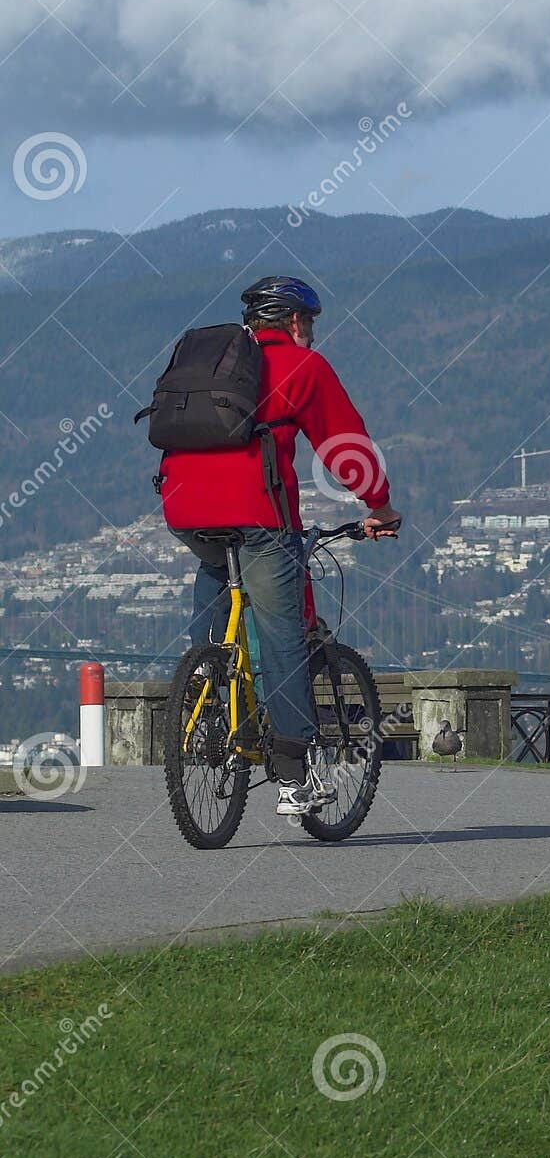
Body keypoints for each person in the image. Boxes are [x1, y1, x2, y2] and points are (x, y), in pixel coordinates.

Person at [159, 277, 402, 816]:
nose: (311, 333)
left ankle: (208, 690)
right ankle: (294, 774)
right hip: (257, 515)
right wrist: (379, 505)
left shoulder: (211, 364)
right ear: (294, 322)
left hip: (184, 509)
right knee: (281, 634)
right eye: (309, 323)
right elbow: (346, 444)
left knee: (219, 575)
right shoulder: (302, 366)